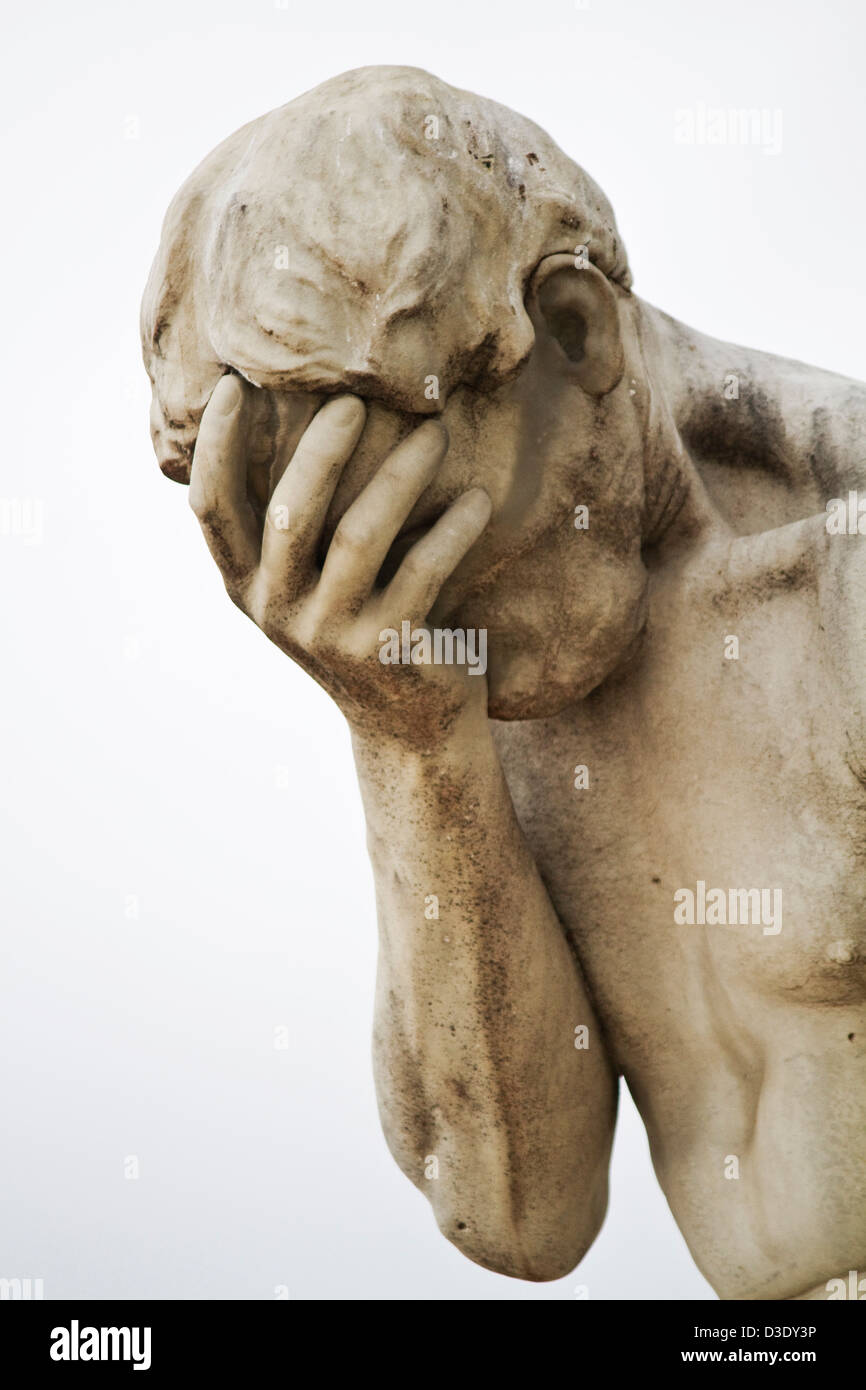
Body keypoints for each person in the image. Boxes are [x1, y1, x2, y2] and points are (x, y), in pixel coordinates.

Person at [142, 66, 866, 1299]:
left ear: (572, 332)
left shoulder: (835, 575)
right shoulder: (448, 685)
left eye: (425, 538)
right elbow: (519, 1219)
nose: (414, 624)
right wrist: (412, 751)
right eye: (351, 566)